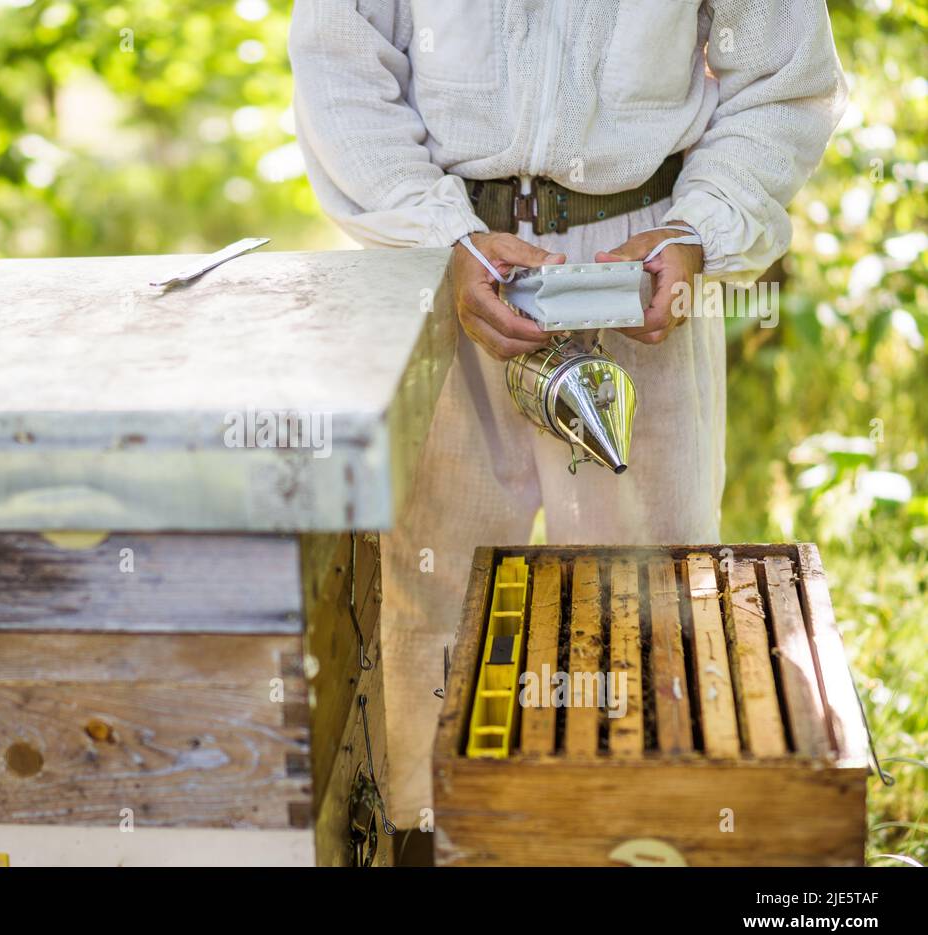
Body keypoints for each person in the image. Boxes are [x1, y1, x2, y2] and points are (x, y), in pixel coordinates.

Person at [289, 0, 847, 828]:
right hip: (444, 260)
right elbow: (341, 59)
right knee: (429, 598)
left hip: (643, 258)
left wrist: (702, 224)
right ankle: (432, 830)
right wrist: (435, 228)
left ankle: (635, 834)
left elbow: (783, 79)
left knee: (647, 592)